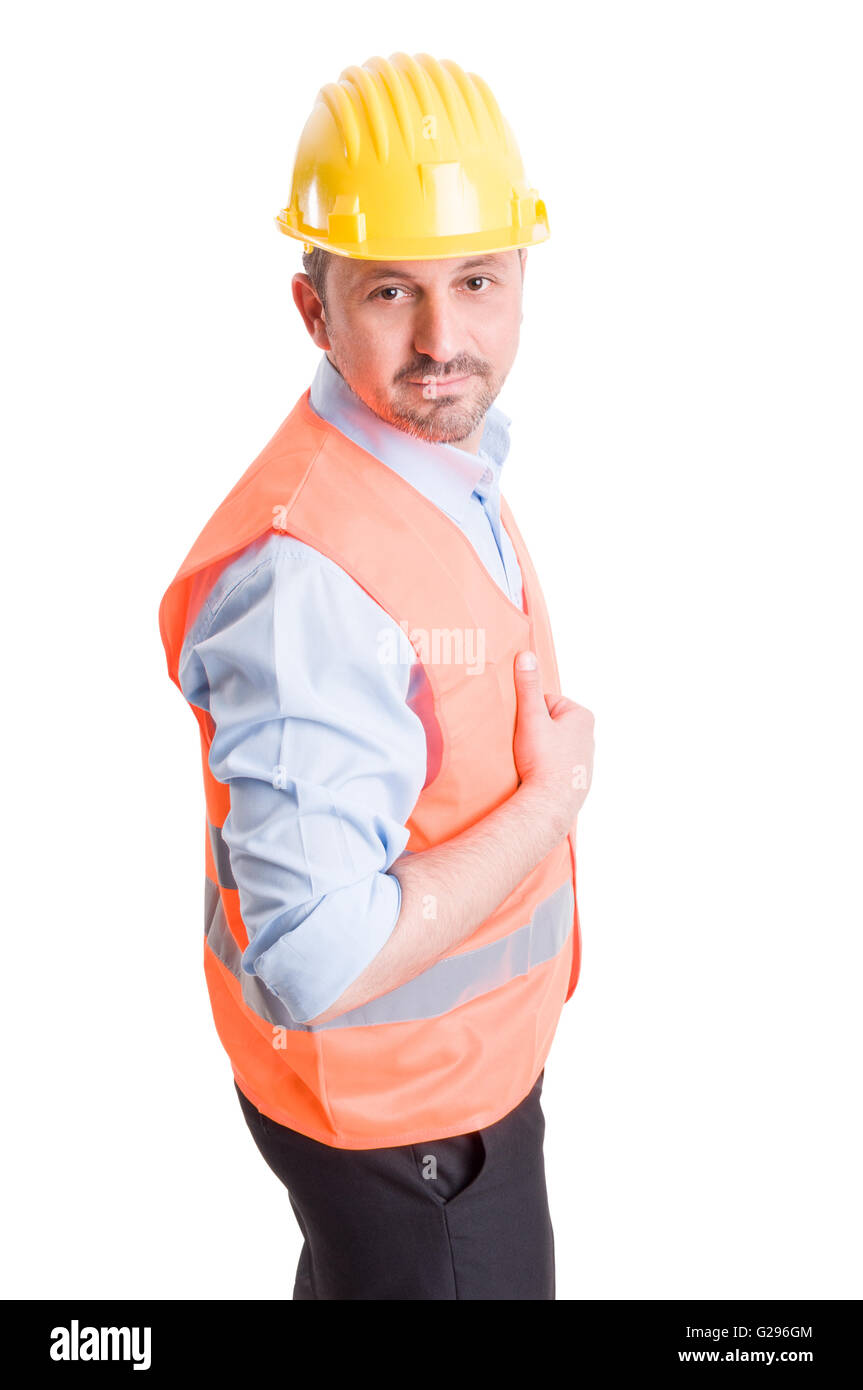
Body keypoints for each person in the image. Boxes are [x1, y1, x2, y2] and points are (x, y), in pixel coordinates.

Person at [158, 50, 595, 1300]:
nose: (443, 340)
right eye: (391, 291)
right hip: (410, 1133)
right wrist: (552, 803)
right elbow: (317, 953)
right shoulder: (310, 580)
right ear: (314, 309)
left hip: (420, 1094)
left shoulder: (417, 459)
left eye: (475, 280)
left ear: (521, 277)